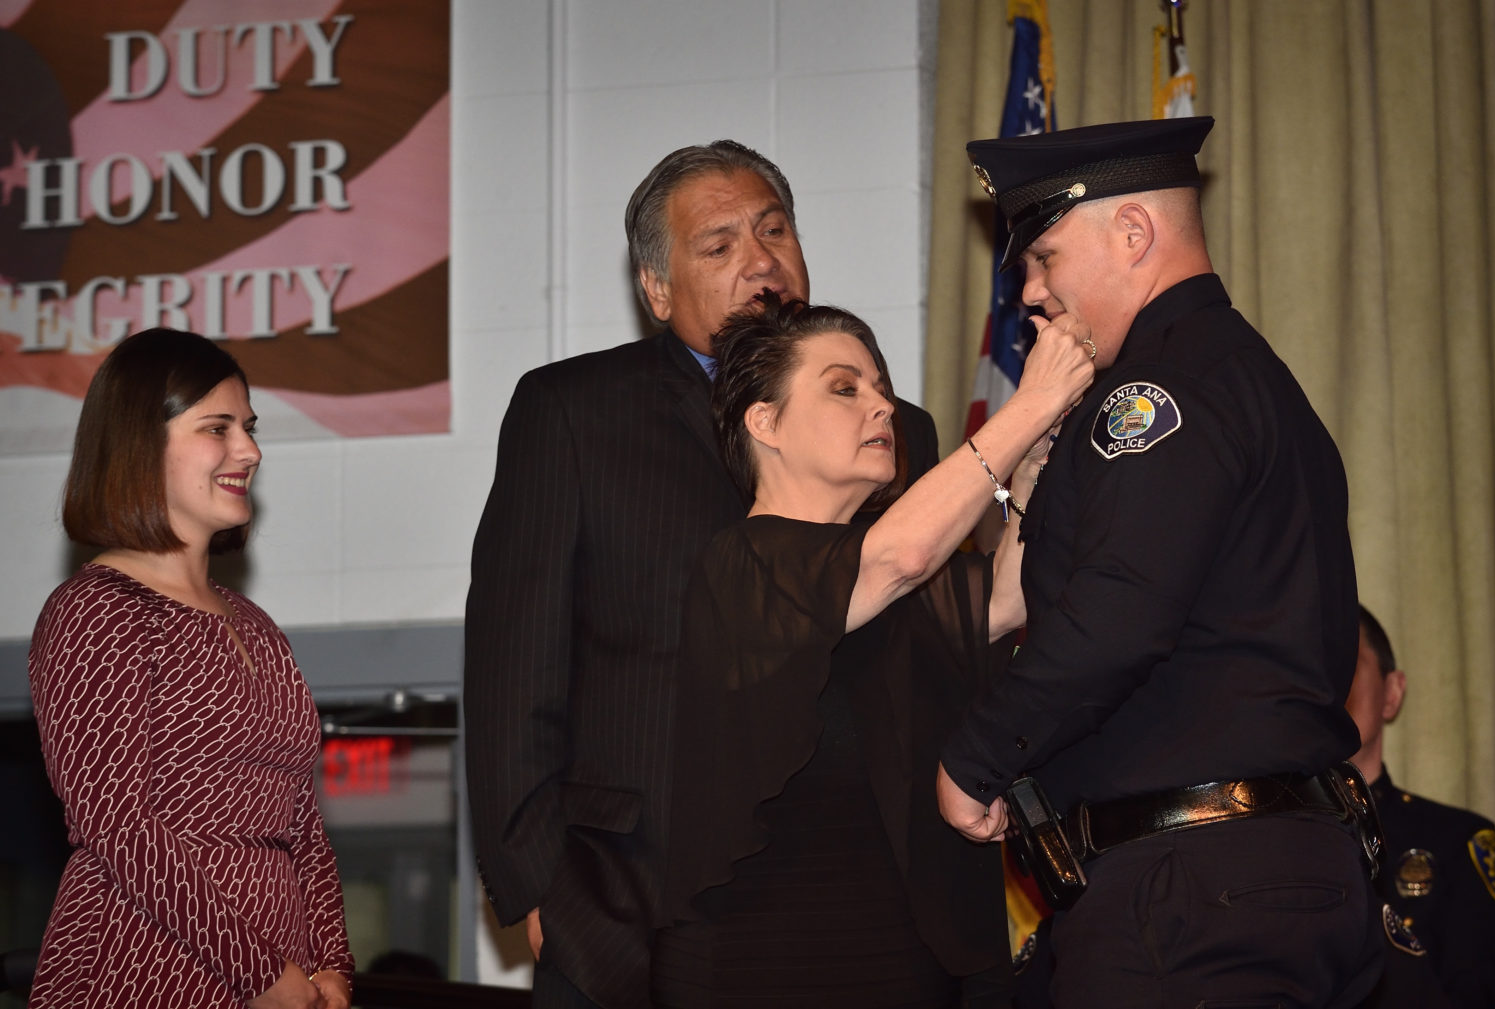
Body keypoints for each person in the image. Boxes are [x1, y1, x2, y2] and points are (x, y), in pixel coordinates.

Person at [462, 140, 940, 1009]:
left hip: (860, 893)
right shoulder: (573, 411)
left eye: (775, 230)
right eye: (719, 247)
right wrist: (538, 886)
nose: (761, 261)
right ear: (656, 289)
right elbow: (511, 662)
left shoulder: (896, 427)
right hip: (635, 900)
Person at [936, 116, 1383, 1007]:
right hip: (1278, 875)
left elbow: (1119, 614)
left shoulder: (1154, 393)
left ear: (1133, 234)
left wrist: (974, 760)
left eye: (1045, 256)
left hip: (1192, 898)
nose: (1028, 291)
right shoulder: (1254, 376)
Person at [652, 293, 1094, 1007]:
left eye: (882, 388)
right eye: (844, 388)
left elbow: (1009, 595)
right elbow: (905, 555)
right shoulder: (742, 564)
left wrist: (1038, 459)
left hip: (903, 962)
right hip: (765, 966)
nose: (883, 406)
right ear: (764, 421)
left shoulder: (885, 581)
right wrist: (1031, 403)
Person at [26, 329, 353, 1009]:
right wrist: (262, 972)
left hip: (279, 969)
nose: (250, 450)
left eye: (250, 427)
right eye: (218, 427)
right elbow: (117, 822)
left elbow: (301, 821)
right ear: (141, 444)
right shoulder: (95, 608)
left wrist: (331, 965)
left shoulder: (255, 625)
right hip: (142, 959)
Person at [1346, 606, 1495, 1009]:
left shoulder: (1458, 841)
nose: (1326, 684)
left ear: (1392, 693)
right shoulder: (1263, 841)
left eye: (1345, 662)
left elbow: (1479, 995)